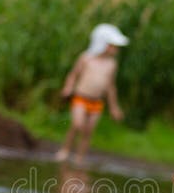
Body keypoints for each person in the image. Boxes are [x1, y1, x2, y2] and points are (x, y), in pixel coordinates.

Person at [55, 23, 129, 164]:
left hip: (97, 102)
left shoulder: (112, 64)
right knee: (78, 124)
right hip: (81, 98)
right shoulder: (86, 58)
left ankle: (79, 157)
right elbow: (73, 75)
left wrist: (114, 107)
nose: (116, 49)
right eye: (113, 45)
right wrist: (68, 87)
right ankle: (65, 150)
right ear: (102, 44)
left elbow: (111, 87)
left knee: (88, 131)